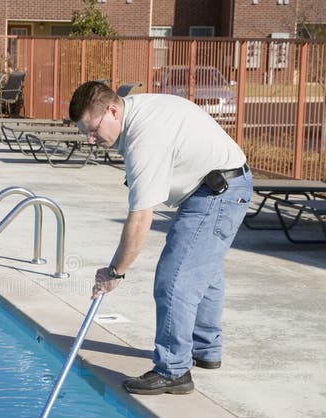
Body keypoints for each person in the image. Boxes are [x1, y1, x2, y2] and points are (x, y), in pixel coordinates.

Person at [68, 81, 253, 396]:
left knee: (174, 278)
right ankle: (205, 350)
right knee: (203, 272)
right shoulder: (133, 112)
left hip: (217, 192)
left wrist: (115, 272)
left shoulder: (144, 139)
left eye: (94, 129)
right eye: (85, 132)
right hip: (222, 184)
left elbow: (140, 218)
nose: (90, 138)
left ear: (113, 110)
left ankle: (173, 370)